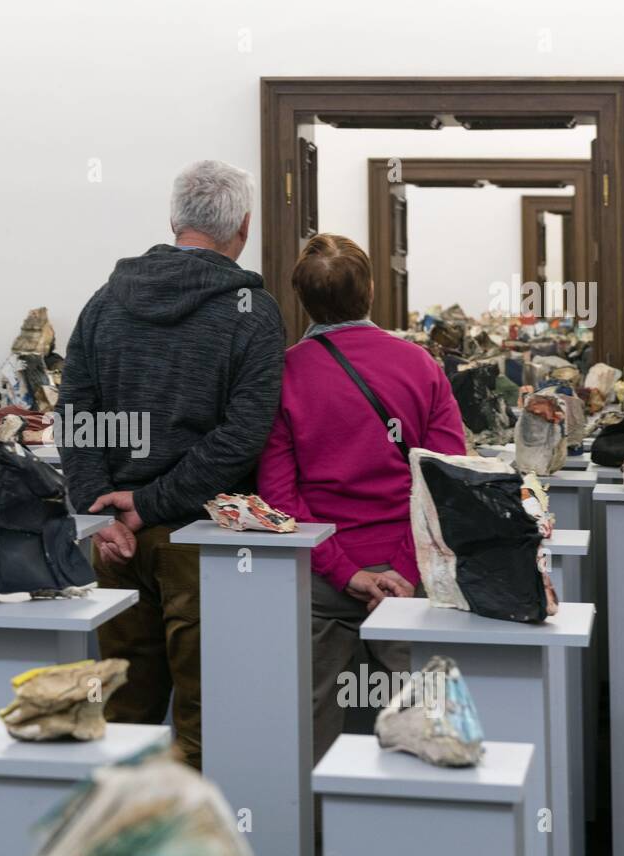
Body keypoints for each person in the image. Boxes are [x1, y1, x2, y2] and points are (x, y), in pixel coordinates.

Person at [57, 159, 286, 768]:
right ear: (242, 226)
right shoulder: (253, 315)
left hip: (113, 541)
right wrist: (146, 507)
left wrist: (100, 508)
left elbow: (75, 413)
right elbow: (243, 436)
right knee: (206, 723)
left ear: (173, 221)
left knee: (121, 721)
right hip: (202, 540)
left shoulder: (105, 302)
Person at [257, 233, 466, 764]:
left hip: (321, 577)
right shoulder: (420, 366)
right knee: (427, 724)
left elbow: (279, 499)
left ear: (301, 299)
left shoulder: (284, 374)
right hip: (409, 573)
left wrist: (346, 573)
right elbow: (445, 482)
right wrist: (397, 570)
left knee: (311, 723)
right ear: (371, 289)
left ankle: (316, 840)